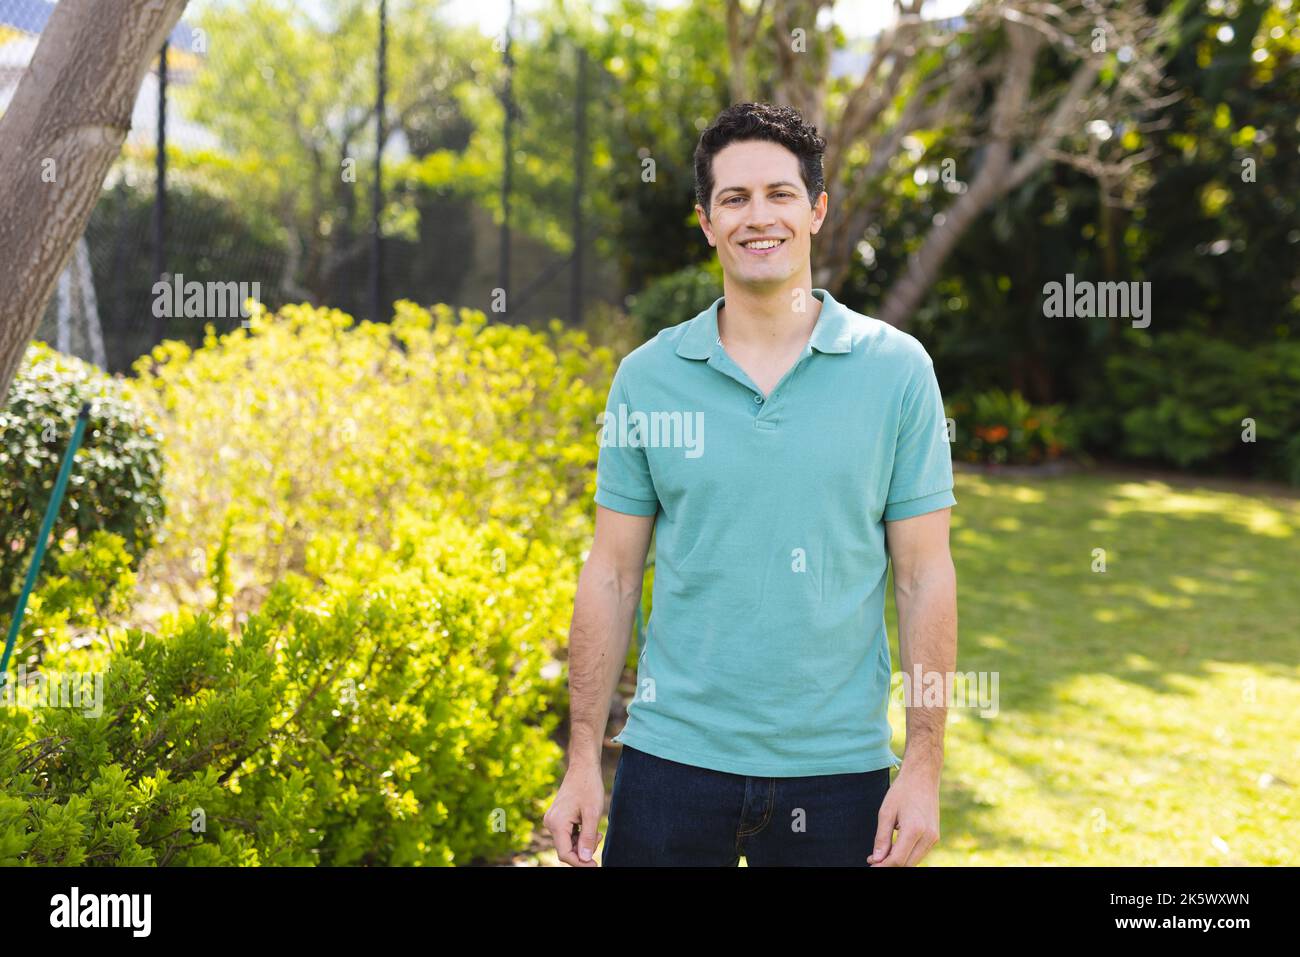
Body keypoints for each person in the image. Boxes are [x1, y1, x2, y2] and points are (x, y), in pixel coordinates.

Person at [543, 102, 958, 867]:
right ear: (705, 221)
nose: (756, 216)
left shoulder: (897, 370)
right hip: (670, 763)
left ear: (816, 210)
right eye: (733, 198)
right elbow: (610, 571)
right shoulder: (648, 379)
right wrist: (580, 762)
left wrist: (924, 766)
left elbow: (924, 574)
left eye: (778, 194)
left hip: (839, 773)